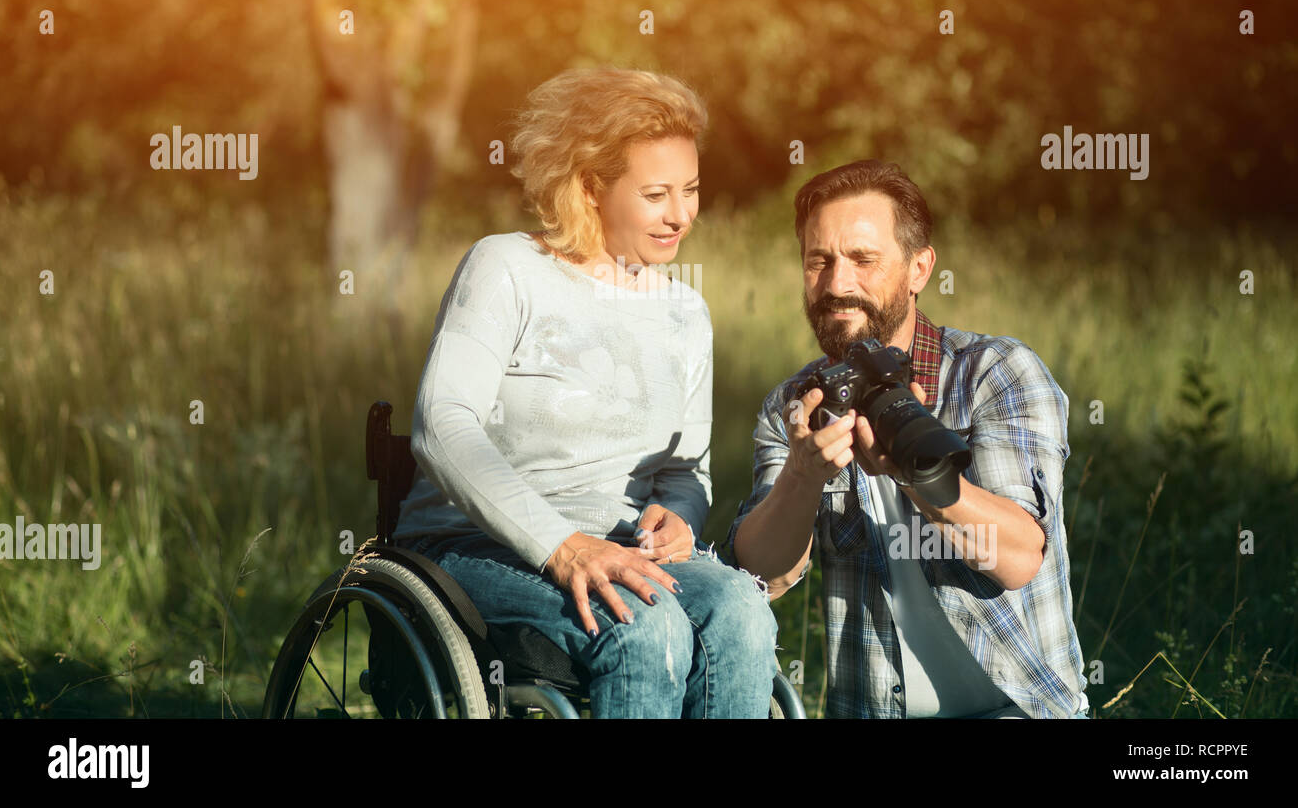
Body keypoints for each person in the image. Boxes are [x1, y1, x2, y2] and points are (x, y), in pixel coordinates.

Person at [394, 67, 778, 718]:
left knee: (741, 606)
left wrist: (680, 519)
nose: (682, 214)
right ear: (591, 187)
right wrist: (564, 547)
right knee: (646, 628)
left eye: (690, 189)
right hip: (480, 544)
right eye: (656, 194)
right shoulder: (507, 268)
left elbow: (685, 473)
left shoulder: (685, 313)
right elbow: (441, 422)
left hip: (621, 547)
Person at [728, 160, 1089, 718]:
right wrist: (801, 476)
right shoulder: (796, 408)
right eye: (818, 261)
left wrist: (913, 469)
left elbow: (1018, 556)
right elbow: (763, 576)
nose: (836, 284)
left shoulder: (995, 373)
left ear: (920, 268)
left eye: (863, 260)